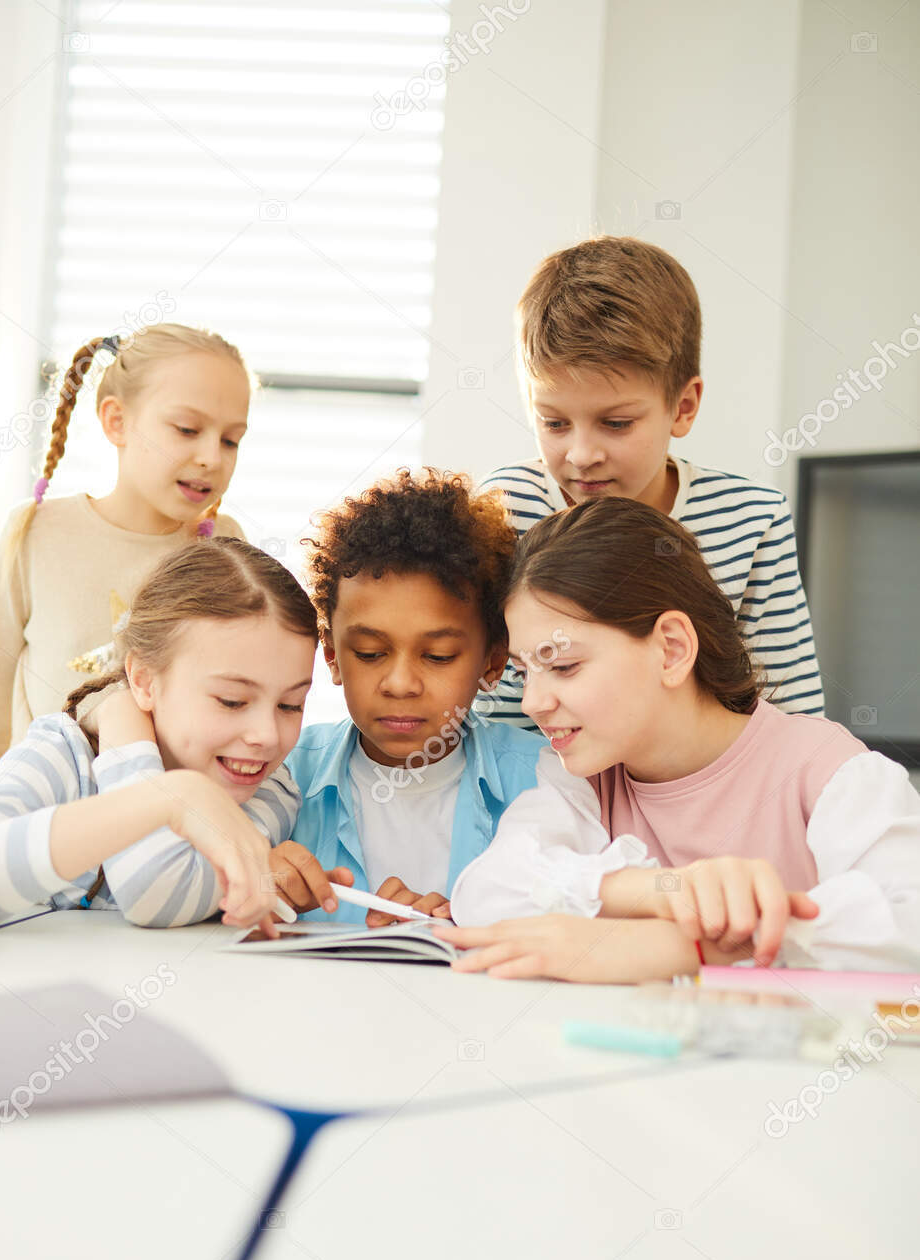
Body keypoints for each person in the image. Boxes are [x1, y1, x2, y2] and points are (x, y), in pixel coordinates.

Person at [445, 499, 920, 979]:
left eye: (563, 666)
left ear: (671, 650)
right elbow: (485, 893)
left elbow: (908, 921)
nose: (532, 703)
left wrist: (684, 947)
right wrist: (664, 889)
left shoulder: (827, 770)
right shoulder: (582, 780)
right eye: (525, 672)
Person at [472, 236, 824, 726]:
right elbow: (488, 709)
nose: (581, 455)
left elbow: (793, 718)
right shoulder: (504, 509)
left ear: (683, 407)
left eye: (616, 424)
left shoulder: (752, 520)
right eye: (554, 423)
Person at [0, 322, 251, 840]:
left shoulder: (224, 547)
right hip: (42, 842)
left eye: (231, 439)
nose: (213, 455)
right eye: (188, 430)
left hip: (168, 842)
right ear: (117, 421)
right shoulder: (37, 533)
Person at [0, 538, 316, 933]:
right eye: (232, 701)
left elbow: (156, 893)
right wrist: (171, 796)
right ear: (144, 681)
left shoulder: (269, 789)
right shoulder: (64, 759)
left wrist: (167, 786)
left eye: (291, 705)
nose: (267, 736)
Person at [266, 469, 544, 924]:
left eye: (438, 656)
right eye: (370, 652)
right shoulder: (280, 777)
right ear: (333, 655)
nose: (399, 683)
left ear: (492, 663)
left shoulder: (542, 783)